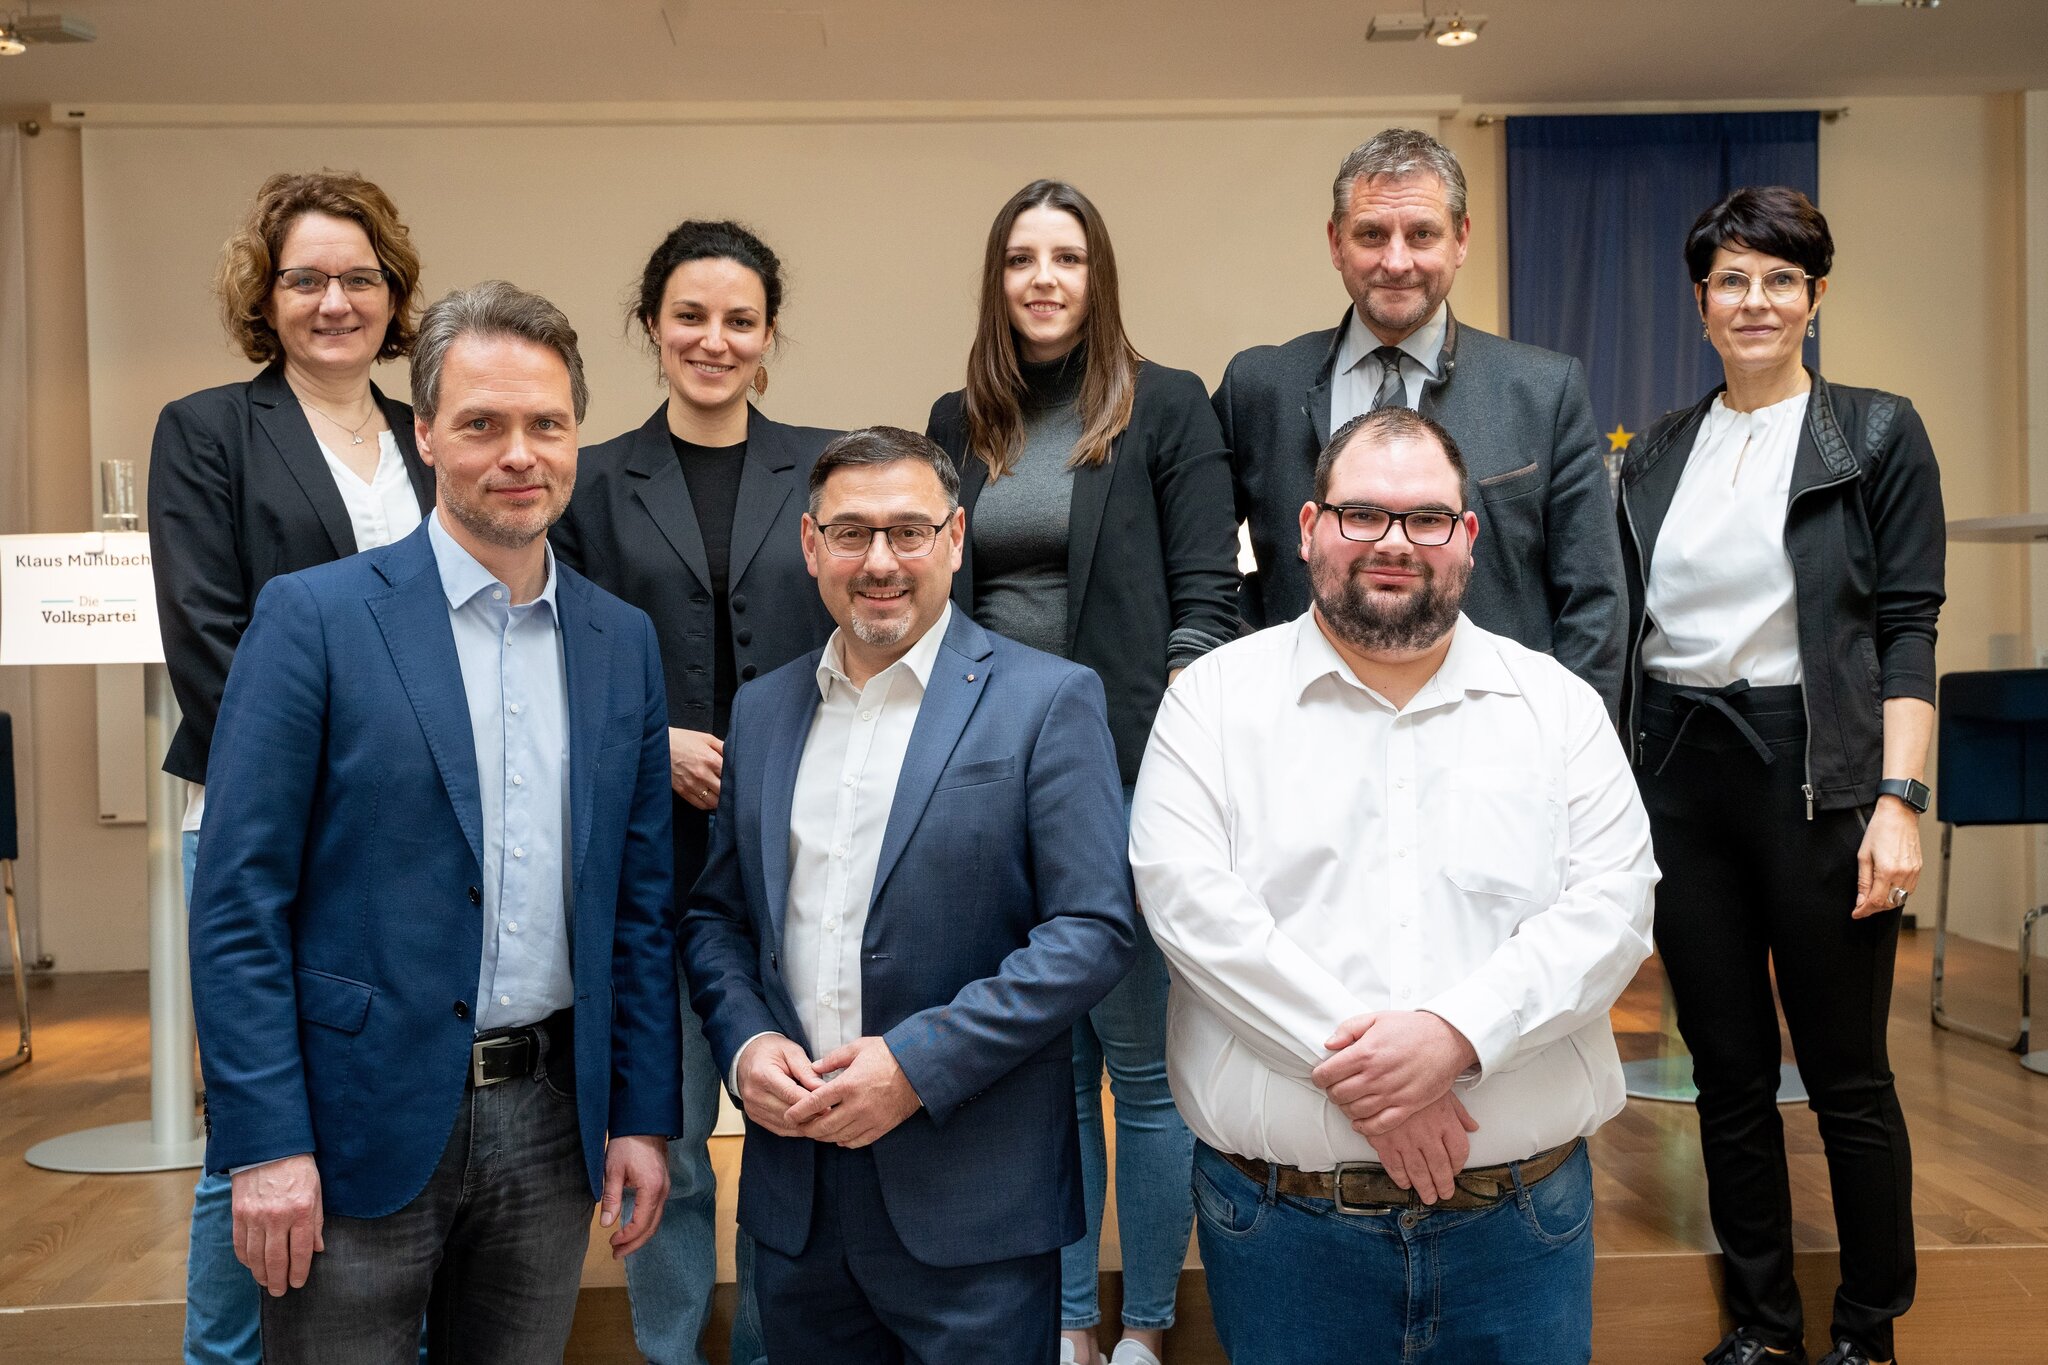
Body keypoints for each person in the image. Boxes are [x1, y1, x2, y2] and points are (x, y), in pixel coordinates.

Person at [186, 281, 680, 1362]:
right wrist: (263, 1143)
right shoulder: (314, 619)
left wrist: (640, 1117)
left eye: (546, 424)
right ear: (424, 434)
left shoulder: (620, 642)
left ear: (576, 436)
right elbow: (236, 904)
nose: (519, 453)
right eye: (481, 424)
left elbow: (638, 909)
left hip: (549, 1128)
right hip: (355, 1123)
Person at [1131, 407, 1657, 1364]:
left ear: (1466, 536)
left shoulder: (1558, 708)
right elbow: (1193, 911)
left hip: (1522, 1228)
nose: (1393, 544)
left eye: (1424, 519)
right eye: (1361, 514)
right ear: (1306, 527)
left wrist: (1454, 1036)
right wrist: (1390, 1082)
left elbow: (1613, 907)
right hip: (1284, 1230)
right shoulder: (1210, 703)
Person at [679, 426, 1138, 1362]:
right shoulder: (763, 711)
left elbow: (1090, 929)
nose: (879, 561)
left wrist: (915, 1065)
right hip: (796, 1197)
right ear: (811, 546)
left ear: (956, 538)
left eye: (908, 531)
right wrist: (746, 1041)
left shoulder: (1048, 699)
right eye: (850, 533)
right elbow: (718, 919)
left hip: (973, 1203)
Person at [1618, 187, 1943, 1365]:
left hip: (1820, 780)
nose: (1752, 300)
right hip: (1678, 780)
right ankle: (1760, 1325)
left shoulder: (1874, 433)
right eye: (1730, 280)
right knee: (1726, 1077)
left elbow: (1905, 629)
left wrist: (1897, 805)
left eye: (1778, 279)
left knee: (1847, 1078)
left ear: (1814, 297)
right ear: (1698, 301)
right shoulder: (1653, 451)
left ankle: (1867, 1332)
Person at [924, 179, 1238, 1365]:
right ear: (996, 280)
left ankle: (1146, 1328)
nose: (1044, 278)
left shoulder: (1162, 406)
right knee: (1043, 1077)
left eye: (1066, 257)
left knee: (1142, 1070)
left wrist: (1160, 779)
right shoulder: (958, 419)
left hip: (1121, 774)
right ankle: (1065, 1325)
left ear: (1097, 274)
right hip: (985, 782)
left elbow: (1204, 599)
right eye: (1020, 259)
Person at [147, 169, 435, 1365]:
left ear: (393, 293)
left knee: (395, 1114)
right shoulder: (209, 430)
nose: (334, 301)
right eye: (305, 279)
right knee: (258, 1137)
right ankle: (225, 1357)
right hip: (270, 828)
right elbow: (207, 637)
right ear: (263, 298)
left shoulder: (429, 434)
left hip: (417, 835)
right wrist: (328, 787)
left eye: (359, 278)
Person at [552, 219, 835, 1365]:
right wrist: (647, 741)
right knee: (658, 1123)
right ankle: (669, 1348)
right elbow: (555, 653)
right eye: (689, 316)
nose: (712, 340)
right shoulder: (591, 480)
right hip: (646, 847)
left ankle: (773, 1347)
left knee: (790, 1122)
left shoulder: (823, 469)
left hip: (797, 844)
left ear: (767, 338)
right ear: (650, 325)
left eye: (738, 320)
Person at [1215, 126, 1626, 715]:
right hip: (1297, 731)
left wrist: (1569, 742)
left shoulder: (1544, 391)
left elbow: (1594, 599)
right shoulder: (1258, 387)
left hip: (1492, 733)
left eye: (1422, 234)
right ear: (1336, 243)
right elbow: (1196, 569)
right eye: (1372, 234)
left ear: (1461, 240)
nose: (1397, 260)